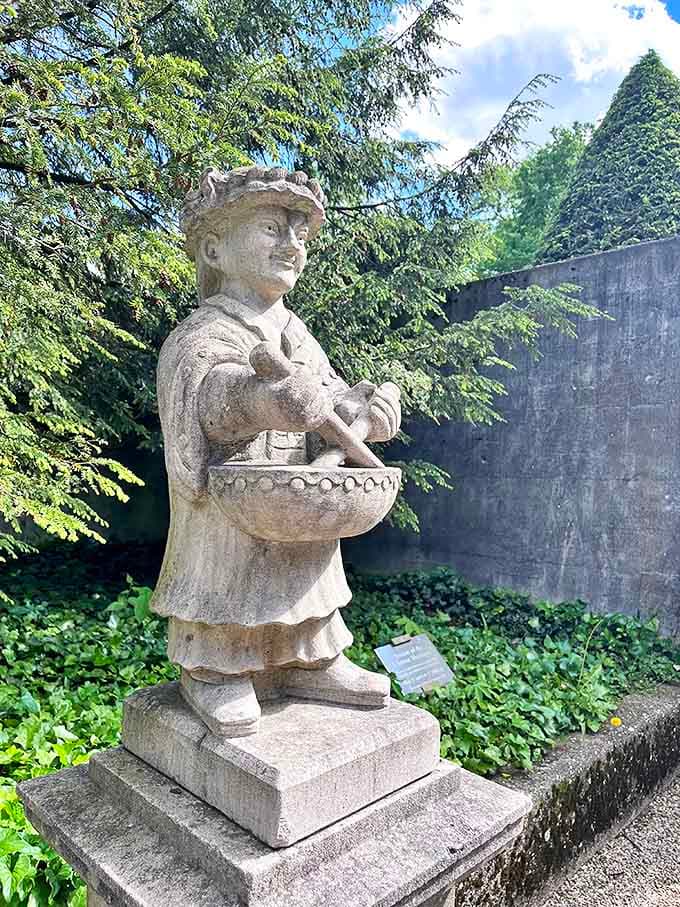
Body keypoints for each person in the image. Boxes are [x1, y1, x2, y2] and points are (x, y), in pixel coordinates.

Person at [151, 165, 402, 736]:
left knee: (309, 566)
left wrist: (361, 410)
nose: (291, 244)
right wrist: (262, 401)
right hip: (230, 502)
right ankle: (214, 668)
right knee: (228, 573)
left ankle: (310, 656)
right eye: (271, 227)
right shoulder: (204, 333)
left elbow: (329, 402)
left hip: (297, 492)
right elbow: (207, 398)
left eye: (301, 235)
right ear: (214, 247)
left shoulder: (298, 333)